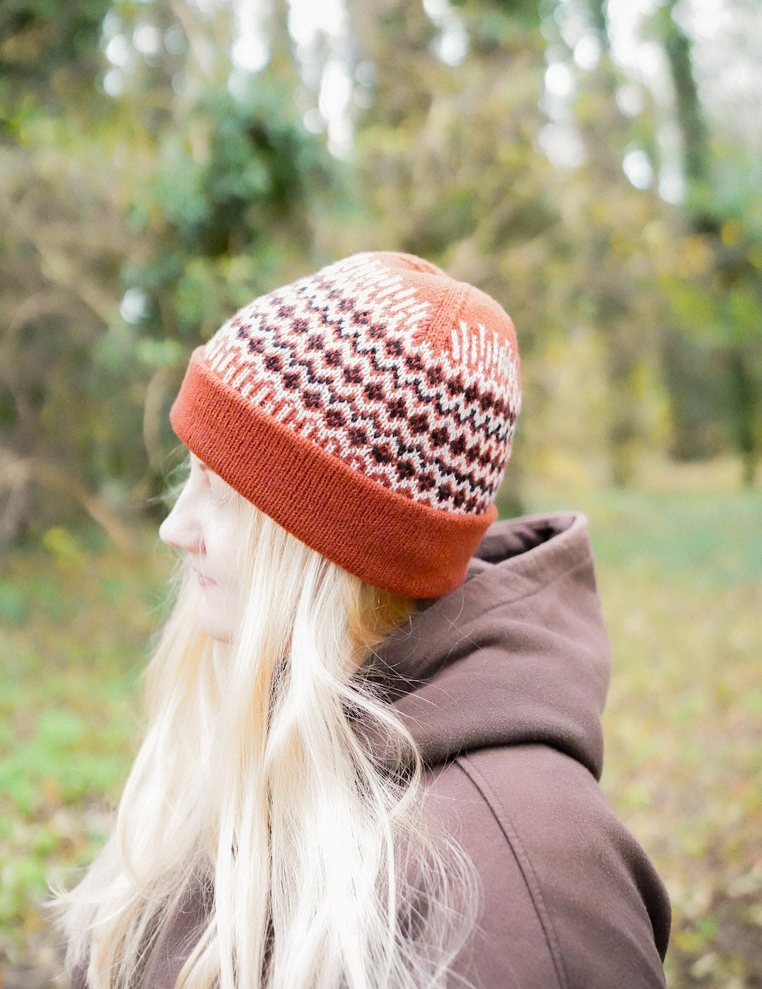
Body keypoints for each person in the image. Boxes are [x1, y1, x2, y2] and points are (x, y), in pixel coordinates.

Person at [56, 251, 670, 988]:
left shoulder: (527, 885)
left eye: (222, 488)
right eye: (192, 473)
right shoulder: (271, 724)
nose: (175, 527)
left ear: (332, 545)